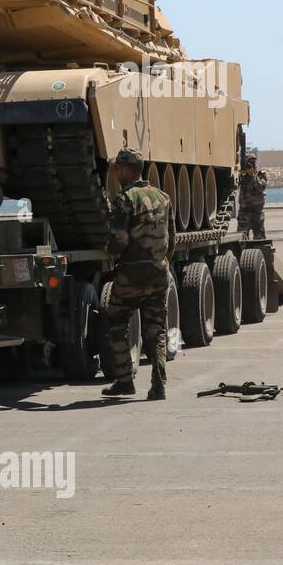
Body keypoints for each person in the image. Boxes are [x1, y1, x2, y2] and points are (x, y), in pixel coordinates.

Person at [101, 148, 176, 401]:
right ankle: (158, 385)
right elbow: (172, 240)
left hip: (131, 275)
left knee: (117, 322)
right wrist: (161, 262)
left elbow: (119, 240)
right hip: (158, 273)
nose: (115, 172)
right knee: (157, 330)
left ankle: (124, 381)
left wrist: (109, 252)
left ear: (125, 169)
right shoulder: (163, 196)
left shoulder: (124, 199)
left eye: (117, 168)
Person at [238, 153, 268, 239]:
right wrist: (242, 173)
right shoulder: (242, 176)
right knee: (242, 238)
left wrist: (254, 176)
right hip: (244, 211)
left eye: (253, 162)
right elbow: (234, 184)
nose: (252, 164)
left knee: (259, 238)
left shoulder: (261, 174)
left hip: (257, 212)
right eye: (249, 162)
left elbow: (262, 186)